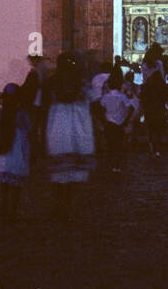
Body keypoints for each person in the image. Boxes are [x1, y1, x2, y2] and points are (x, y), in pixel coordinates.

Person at [45, 53, 95, 213]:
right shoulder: (82, 85)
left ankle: (61, 205)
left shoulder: (51, 84)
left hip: (57, 130)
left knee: (60, 175)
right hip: (77, 133)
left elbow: (41, 107)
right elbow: (93, 103)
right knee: (71, 174)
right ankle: (66, 205)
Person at [0, 82, 31, 220]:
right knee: (15, 185)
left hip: (3, 154)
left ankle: (4, 209)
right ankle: (12, 211)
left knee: (5, 185)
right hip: (18, 155)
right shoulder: (22, 115)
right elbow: (30, 132)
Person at [100, 67, 134, 171]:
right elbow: (130, 107)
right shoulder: (122, 96)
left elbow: (101, 108)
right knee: (119, 145)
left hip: (109, 122)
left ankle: (111, 164)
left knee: (110, 144)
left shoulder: (105, 97)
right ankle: (117, 165)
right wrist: (126, 119)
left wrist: (103, 121)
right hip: (120, 122)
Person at [141, 43, 168, 156]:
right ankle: (157, 143)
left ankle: (151, 142)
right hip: (157, 92)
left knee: (149, 120)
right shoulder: (159, 64)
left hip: (148, 93)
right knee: (158, 119)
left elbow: (144, 79)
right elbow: (162, 78)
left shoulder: (145, 65)